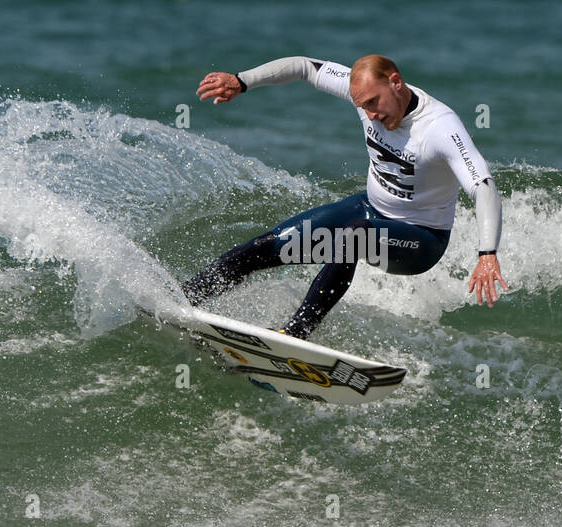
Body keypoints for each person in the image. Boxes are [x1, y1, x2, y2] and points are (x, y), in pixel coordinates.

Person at [183, 54, 507, 339]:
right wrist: (242, 82)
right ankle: (183, 301)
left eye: (373, 103)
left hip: (420, 241)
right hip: (367, 210)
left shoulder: (439, 127)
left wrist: (487, 253)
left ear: (396, 82)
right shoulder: (365, 94)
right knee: (261, 248)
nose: (370, 115)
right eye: (362, 106)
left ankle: (295, 334)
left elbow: (483, 185)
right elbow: (306, 67)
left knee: (354, 236)